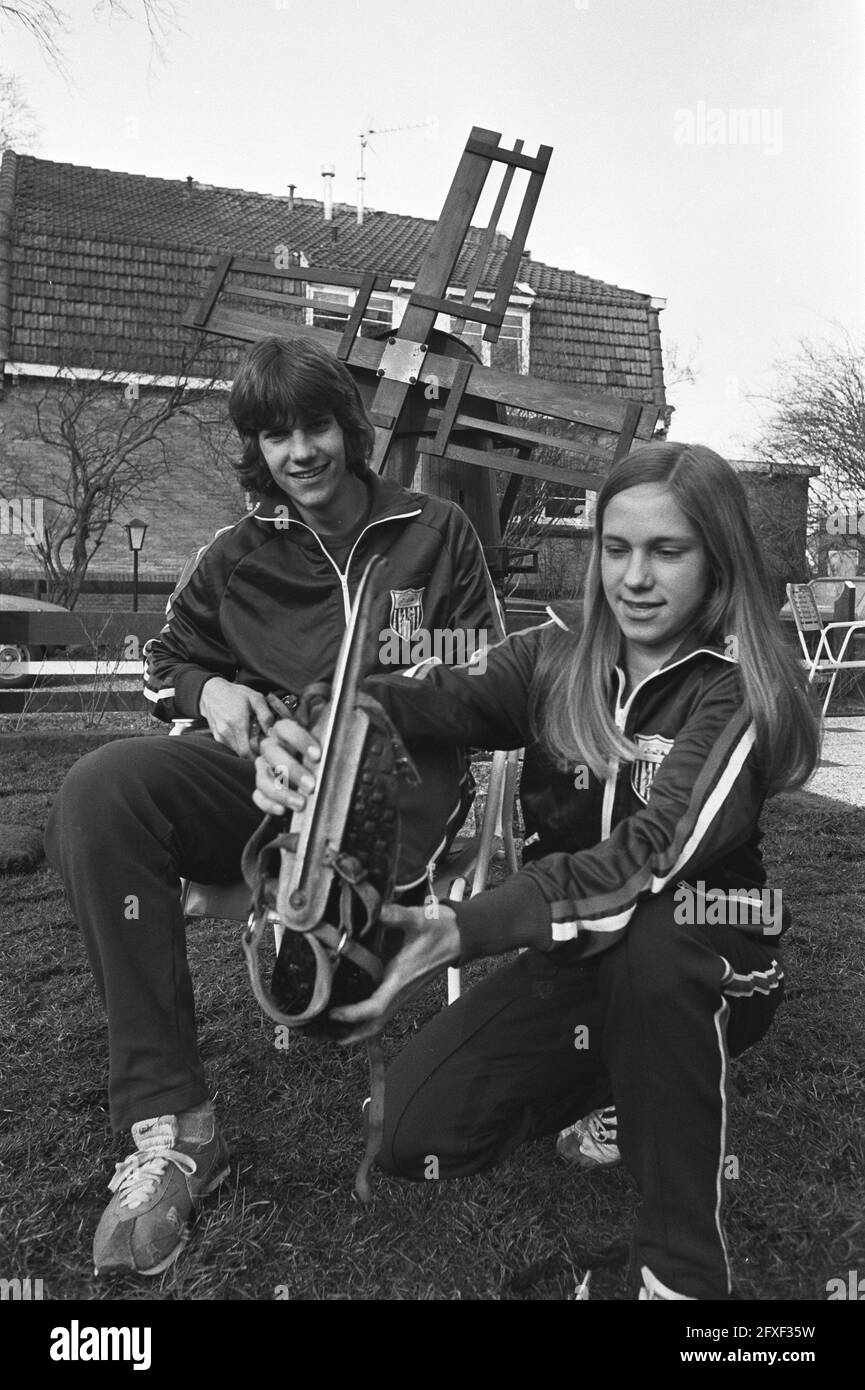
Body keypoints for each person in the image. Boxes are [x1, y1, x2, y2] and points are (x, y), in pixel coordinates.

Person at [256, 441, 821, 1301]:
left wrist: (460, 928)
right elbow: (431, 693)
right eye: (615, 547)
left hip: (710, 959)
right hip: (573, 956)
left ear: (716, 559)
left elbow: (645, 858)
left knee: (655, 946)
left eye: (667, 551)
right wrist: (330, 719)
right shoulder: (553, 657)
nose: (633, 577)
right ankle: (615, 1073)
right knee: (412, 1130)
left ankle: (680, 1277)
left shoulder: (736, 691)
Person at [45, 334, 500, 1277]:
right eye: (276, 434)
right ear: (257, 447)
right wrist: (210, 695)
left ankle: (293, 915)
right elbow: (163, 663)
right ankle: (172, 1129)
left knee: (328, 900)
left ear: (349, 428)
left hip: (395, 784)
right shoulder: (233, 555)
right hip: (262, 779)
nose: (300, 453)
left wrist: (350, 711)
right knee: (101, 790)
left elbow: (489, 676)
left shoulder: (435, 530)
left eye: (316, 426)